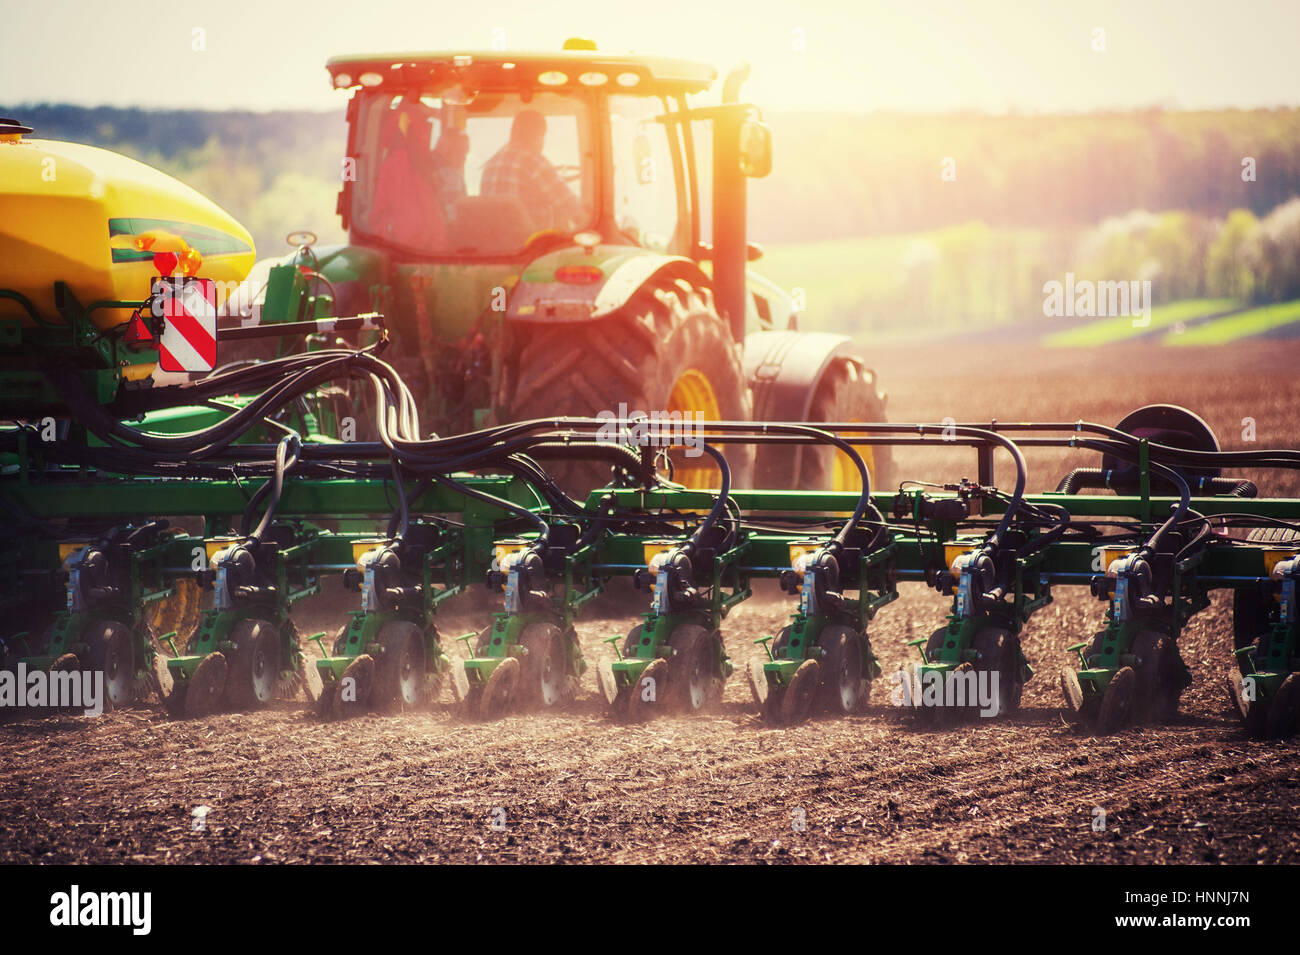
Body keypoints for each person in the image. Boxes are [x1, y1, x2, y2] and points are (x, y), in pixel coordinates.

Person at [481, 109, 584, 230]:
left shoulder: (490, 165)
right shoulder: (534, 161)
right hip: (534, 245)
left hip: (501, 245)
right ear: (539, 135)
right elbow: (571, 208)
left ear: (513, 132)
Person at [429, 126, 469, 220]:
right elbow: (453, 217)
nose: (464, 158)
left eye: (466, 152)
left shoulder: (426, 166)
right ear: (446, 150)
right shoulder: (450, 174)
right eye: (460, 151)